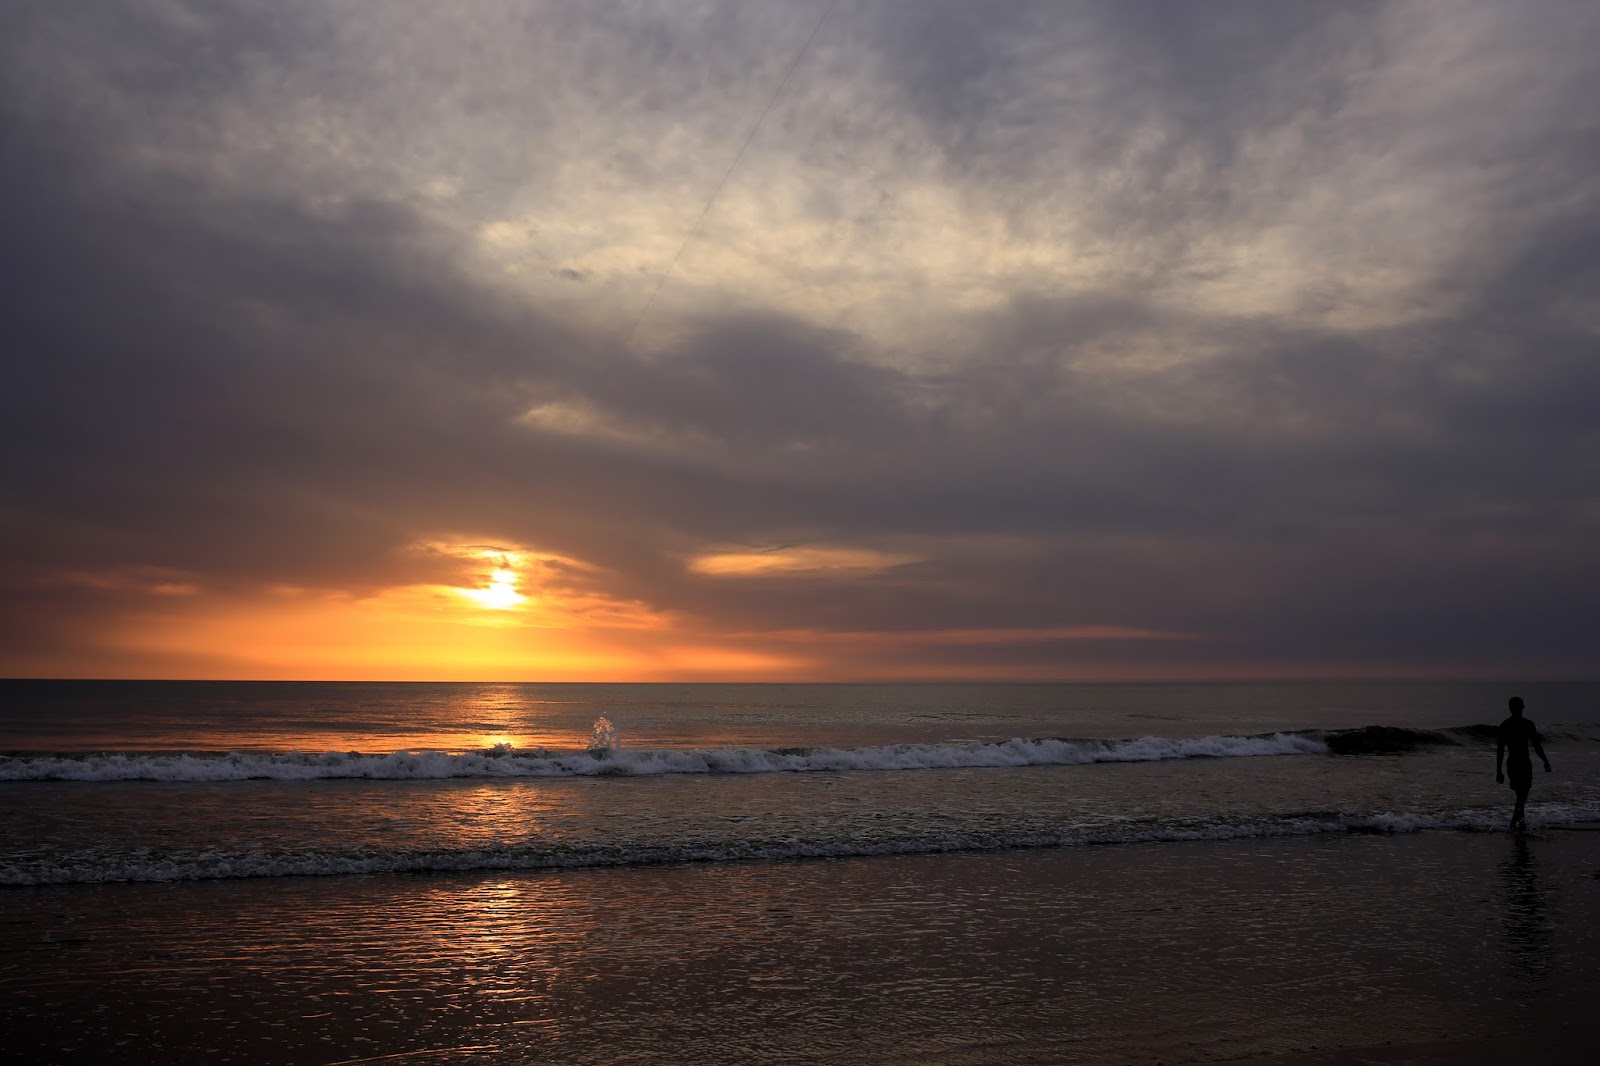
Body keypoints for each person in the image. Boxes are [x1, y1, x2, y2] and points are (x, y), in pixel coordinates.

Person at [1495, 696, 1552, 831]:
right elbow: (1537, 746)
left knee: (1521, 795)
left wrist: (1499, 770)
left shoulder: (1505, 725)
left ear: (1510, 708)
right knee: (1522, 796)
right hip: (1522, 763)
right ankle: (1514, 825)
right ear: (1523, 707)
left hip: (1514, 763)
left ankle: (1520, 824)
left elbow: (1500, 751)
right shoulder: (1526, 724)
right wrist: (1546, 761)